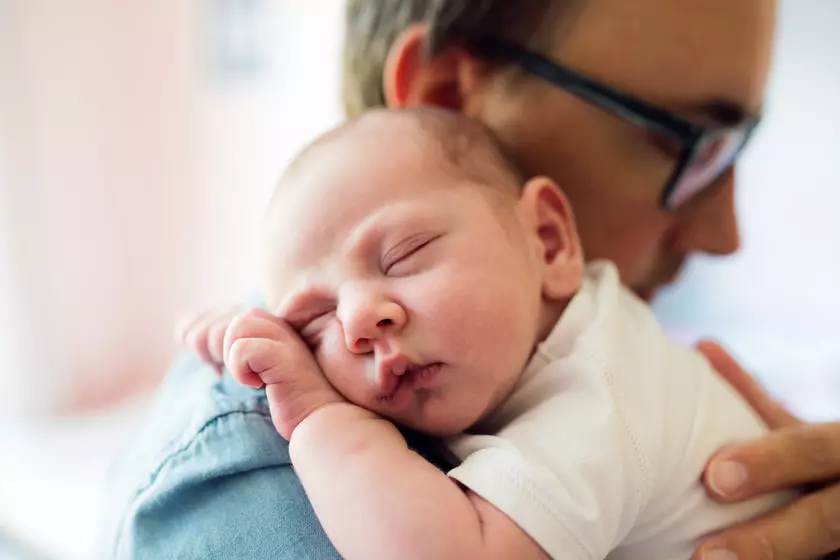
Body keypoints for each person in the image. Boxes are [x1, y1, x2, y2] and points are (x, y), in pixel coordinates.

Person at [104, 1, 840, 559]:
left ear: (548, 235)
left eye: (729, 149)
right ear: (447, 98)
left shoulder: (604, 378)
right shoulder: (254, 478)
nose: (725, 234)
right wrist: (314, 414)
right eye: (681, 140)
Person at [223, 107, 793, 560]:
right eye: (312, 323)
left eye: (404, 255)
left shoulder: (599, 392)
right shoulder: (536, 334)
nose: (355, 324)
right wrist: (233, 335)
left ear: (547, 240)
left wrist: (321, 419)